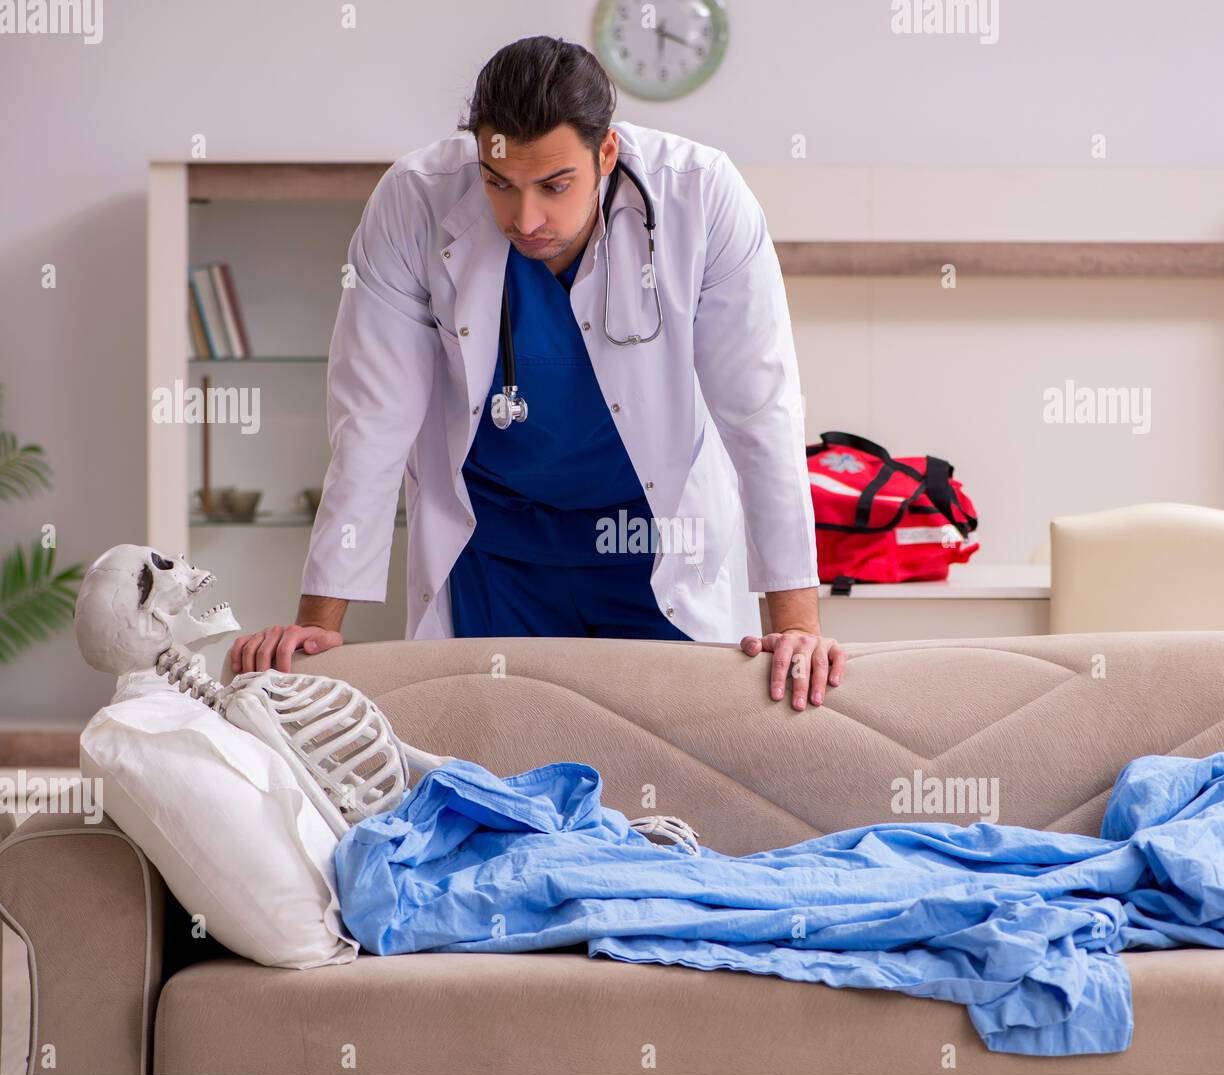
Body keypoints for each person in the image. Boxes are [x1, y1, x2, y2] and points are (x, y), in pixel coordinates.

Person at [230, 35, 845, 712]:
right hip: (498, 551)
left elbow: (761, 412)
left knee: (667, 767)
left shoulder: (701, 197)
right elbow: (371, 421)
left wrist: (795, 625)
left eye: (555, 186)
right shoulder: (412, 204)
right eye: (500, 183)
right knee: (502, 765)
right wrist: (319, 624)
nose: (525, 219)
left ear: (605, 153)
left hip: (651, 544)